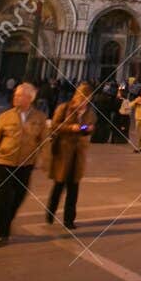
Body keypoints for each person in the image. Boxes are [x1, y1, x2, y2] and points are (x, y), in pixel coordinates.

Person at [0, 82, 51, 248]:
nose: (15, 98)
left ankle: (7, 220)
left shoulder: (39, 118)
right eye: (15, 95)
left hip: (26, 164)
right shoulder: (5, 116)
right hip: (5, 162)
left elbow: (45, 142)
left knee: (19, 196)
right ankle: (2, 233)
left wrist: (47, 161)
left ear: (30, 98)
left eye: (19, 95)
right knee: (3, 199)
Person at [46, 83, 96, 230]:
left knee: (74, 187)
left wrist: (87, 129)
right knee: (59, 185)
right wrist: (70, 127)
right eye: (82, 98)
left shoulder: (90, 112)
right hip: (63, 151)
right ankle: (51, 211)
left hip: (78, 153)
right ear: (76, 96)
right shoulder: (64, 108)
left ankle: (69, 220)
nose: (84, 102)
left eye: (87, 99)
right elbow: (54, 125)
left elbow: (89, 127)